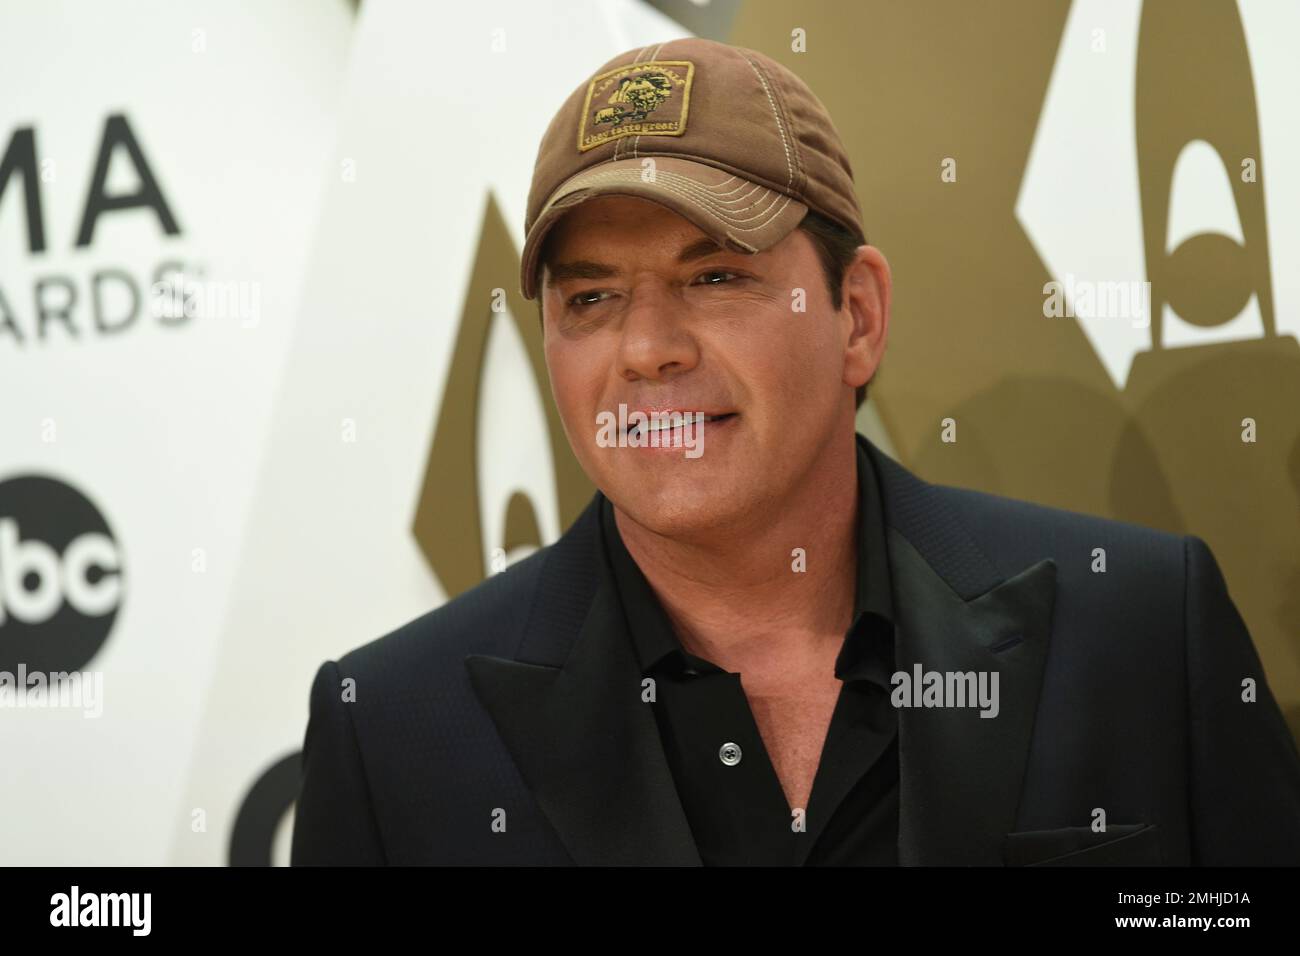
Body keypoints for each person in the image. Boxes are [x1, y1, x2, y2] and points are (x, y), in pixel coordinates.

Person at [291, 36, 1300, 866]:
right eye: (590, 297)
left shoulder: (1135, 628)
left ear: (855, 313)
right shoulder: (391, 733)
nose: (646, 349)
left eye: (716, 278)